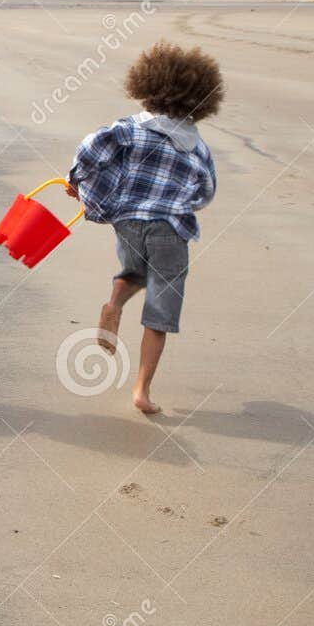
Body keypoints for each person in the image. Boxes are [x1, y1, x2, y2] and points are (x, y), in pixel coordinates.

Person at [68, 41, 223, 414]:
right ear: (200, 100)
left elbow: (91, 149)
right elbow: (205, 191)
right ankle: (141, 390)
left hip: (127, 222)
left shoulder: (128, 130)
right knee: (160, 312)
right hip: (170, 230)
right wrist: (182, 204)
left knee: (134, 271)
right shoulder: (196, 146)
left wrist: (78, 183)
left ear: (147, 88)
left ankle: (113, 305)